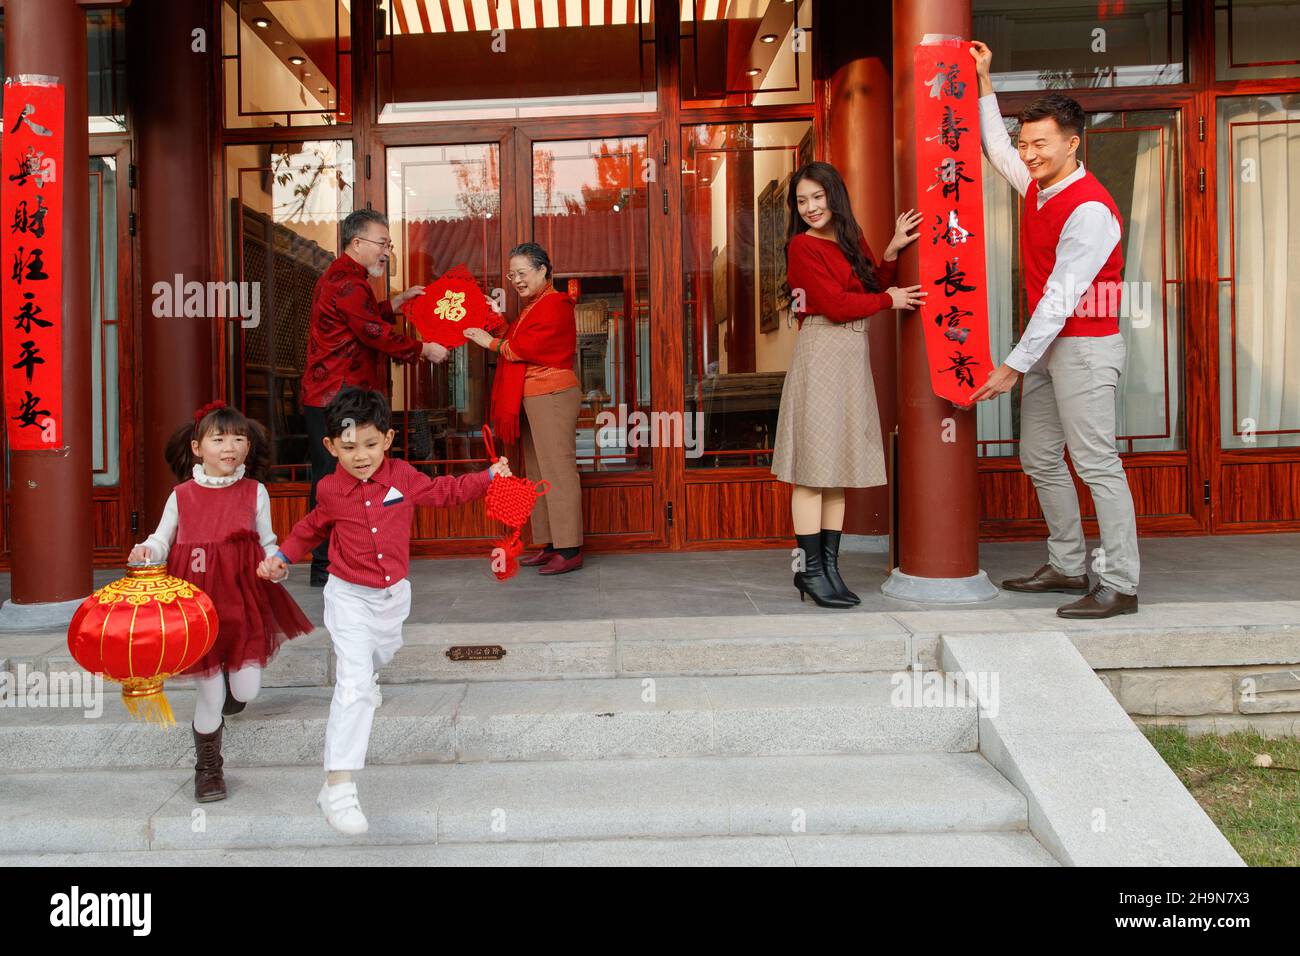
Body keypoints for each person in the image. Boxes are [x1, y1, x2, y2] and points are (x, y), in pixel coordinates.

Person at [258, 387, 511, 836]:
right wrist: (283, 557)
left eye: (371, 445)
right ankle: (338, 785)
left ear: (389, 440)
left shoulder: (403, 477)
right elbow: (310, 527)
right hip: (348, 595)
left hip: (394, 597)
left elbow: (445, 492)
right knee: (353, 684)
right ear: (330, 446)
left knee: (379, 659)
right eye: (350, 447)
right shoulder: (329, 487)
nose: (361, 456)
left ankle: (364, 685)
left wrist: (489, 476)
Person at [968, 41, 1140, 619]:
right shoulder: (1039, 186)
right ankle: (1068, 564)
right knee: (1040, 456)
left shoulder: (1088, 208)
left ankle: (1119, 582)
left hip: (1086, 346)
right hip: (1049, 347)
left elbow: (1061, 299)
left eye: (1041, 143)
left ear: (1073, 142)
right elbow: (994, 147)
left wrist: (1013, 364)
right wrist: (985, 81)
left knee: (1096, 463)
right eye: (1027, 143)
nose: (1029, 153)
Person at [129, 401, 313, 803]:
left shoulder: (255, 491)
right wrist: (147, 549)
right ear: (197, 448)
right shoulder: (182, 494)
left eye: (238, 438)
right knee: (210, 693)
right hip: (196, 605)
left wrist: (276, 563)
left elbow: (268, 541)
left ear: (249, 446)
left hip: (243, 597)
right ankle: (208, 769)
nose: (229, 447)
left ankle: (232, 692)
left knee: (246, 691)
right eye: (218, 439)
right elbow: (162, 539)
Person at [771, 161, 925, 608]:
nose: (811, 207)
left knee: (834, 471)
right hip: (821, 351)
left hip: (850, 356)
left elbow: (873, 282)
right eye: (802, 201)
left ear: (833, 196)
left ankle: (830, 572)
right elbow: (837, 305)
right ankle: (810, 573)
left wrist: (892, 251)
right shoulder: (801, 247)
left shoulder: (849, 236)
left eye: (818, 197)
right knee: (811, 472)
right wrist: (887, 300)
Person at [301, 208, 449, 587]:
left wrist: (394, 305)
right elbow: (372, 332)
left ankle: (330, 561)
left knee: (335, 475)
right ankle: (324, 565)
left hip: (331, 395)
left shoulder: (346, 278)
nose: (386, 251)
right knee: (334, 478)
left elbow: (359, 320)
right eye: (382, 243)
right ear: (357, 243)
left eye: (388, 244)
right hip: (337, 398)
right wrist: (423, 350)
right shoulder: (349, 283)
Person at [463, 242, 584, 575]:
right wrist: (493, 320)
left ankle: (569, 547)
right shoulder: (535, 306)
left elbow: (524, 347)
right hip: (533, 396)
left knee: (556, 471)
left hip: (552, 394)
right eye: (511, 274)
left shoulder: (556, 303)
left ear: (543, 269)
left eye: (522, 273)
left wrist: (490, 342)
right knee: (537, 472)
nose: (516, 280)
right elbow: (512, 338)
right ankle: (549, 542)